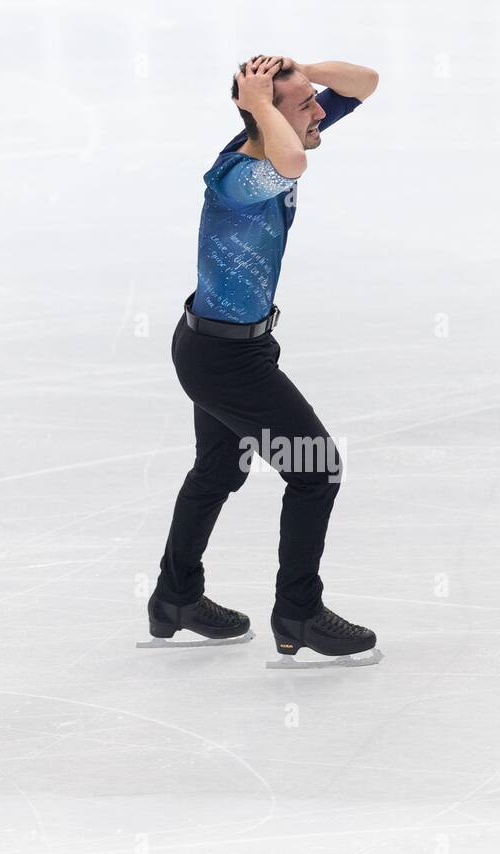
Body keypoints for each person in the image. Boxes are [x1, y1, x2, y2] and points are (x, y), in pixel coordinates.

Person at [148, 54, 380, 662]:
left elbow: (365, 83)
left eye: (312, 101)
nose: (319, 112)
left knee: (219, 471)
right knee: (315, 468)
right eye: (304, 104)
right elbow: (293, 159)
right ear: (262, 115)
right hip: (224, 360)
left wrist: (301, 69)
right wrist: (259, 105)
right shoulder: (238, 176)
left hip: (227, 346)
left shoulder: (281, 135)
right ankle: (299, 612)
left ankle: (175, 598)